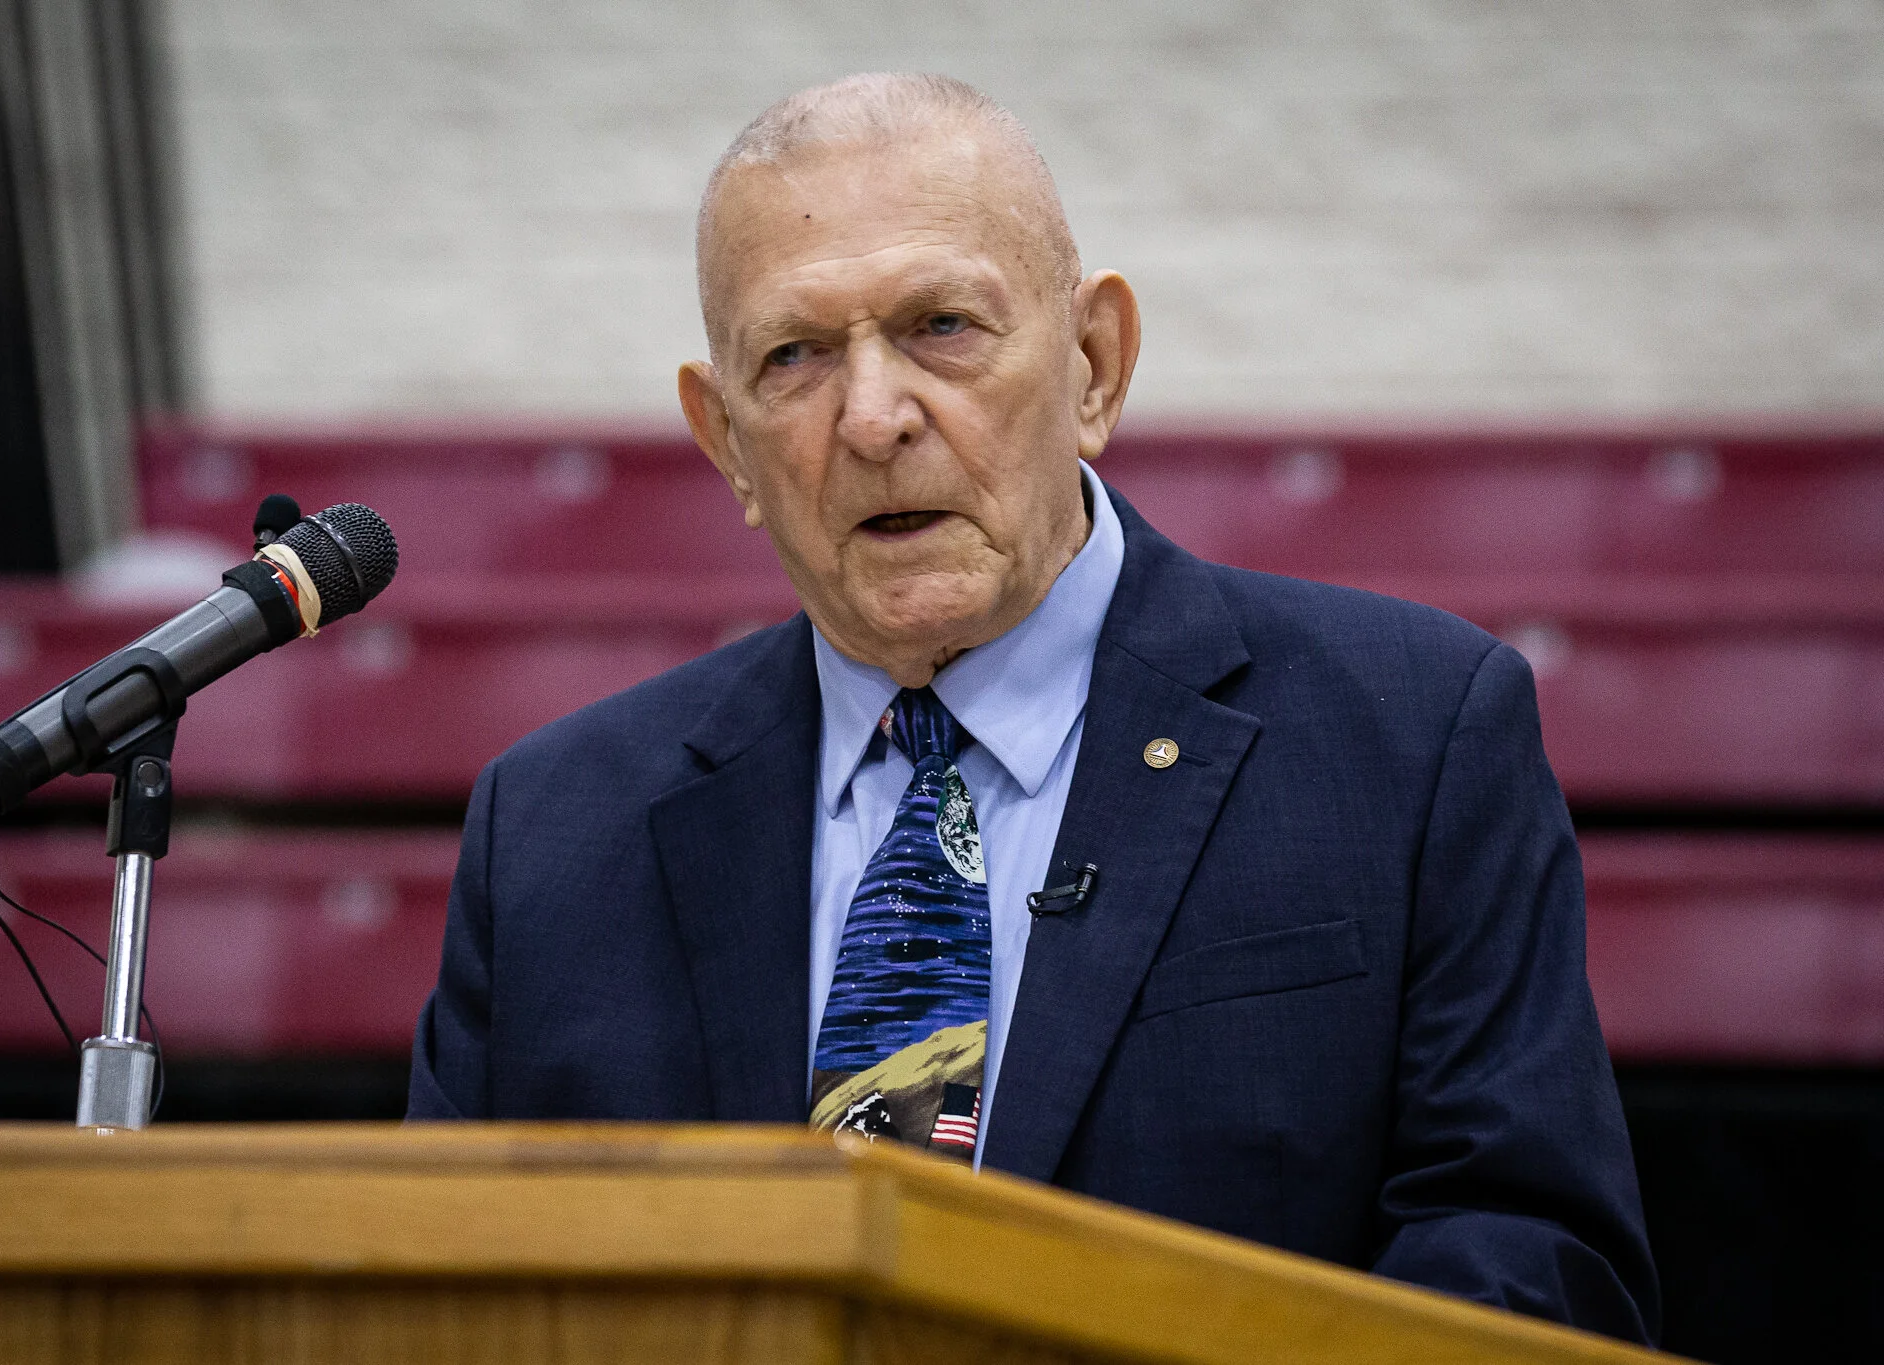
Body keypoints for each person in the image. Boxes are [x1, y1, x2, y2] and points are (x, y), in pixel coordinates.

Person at [409, 73, 1659, 1343]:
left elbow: (1531, 1264)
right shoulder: (553, 831)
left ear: (1093, 365)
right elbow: (444, 1305)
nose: (874, 417)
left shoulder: (1409, 735)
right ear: (724, 439)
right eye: (792, 358)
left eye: (941, 326)